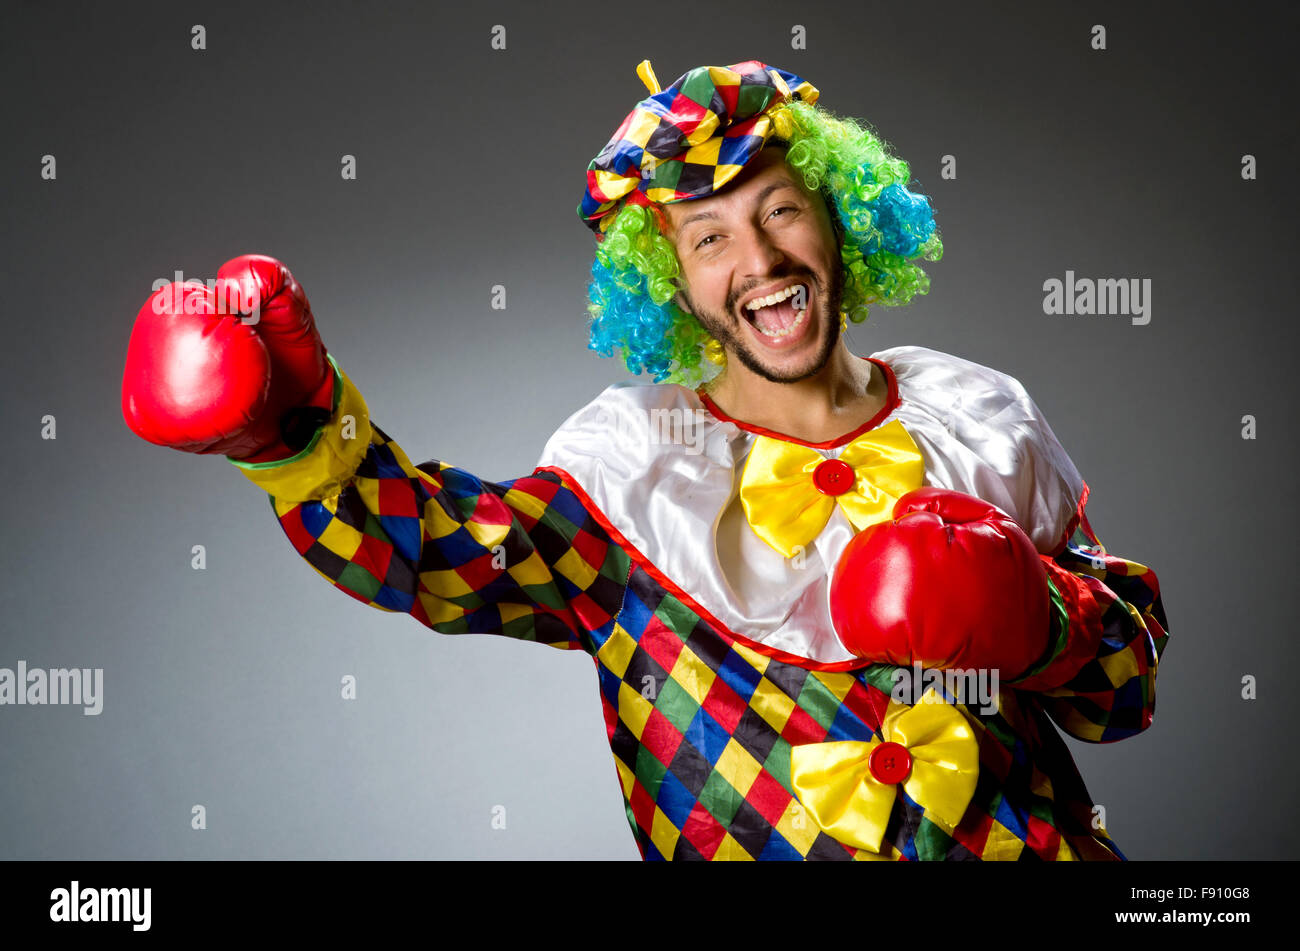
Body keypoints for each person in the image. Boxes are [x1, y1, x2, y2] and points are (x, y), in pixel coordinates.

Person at [121, 60, 1169, 861]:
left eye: (780, 211)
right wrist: (294, 435)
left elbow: (1121, 696)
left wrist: (1042, 618)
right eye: (707, 239)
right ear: (667, 281)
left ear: (842, 219)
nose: (757, 261)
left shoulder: (976, 413)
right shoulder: (630, 473)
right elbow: (437, 552)